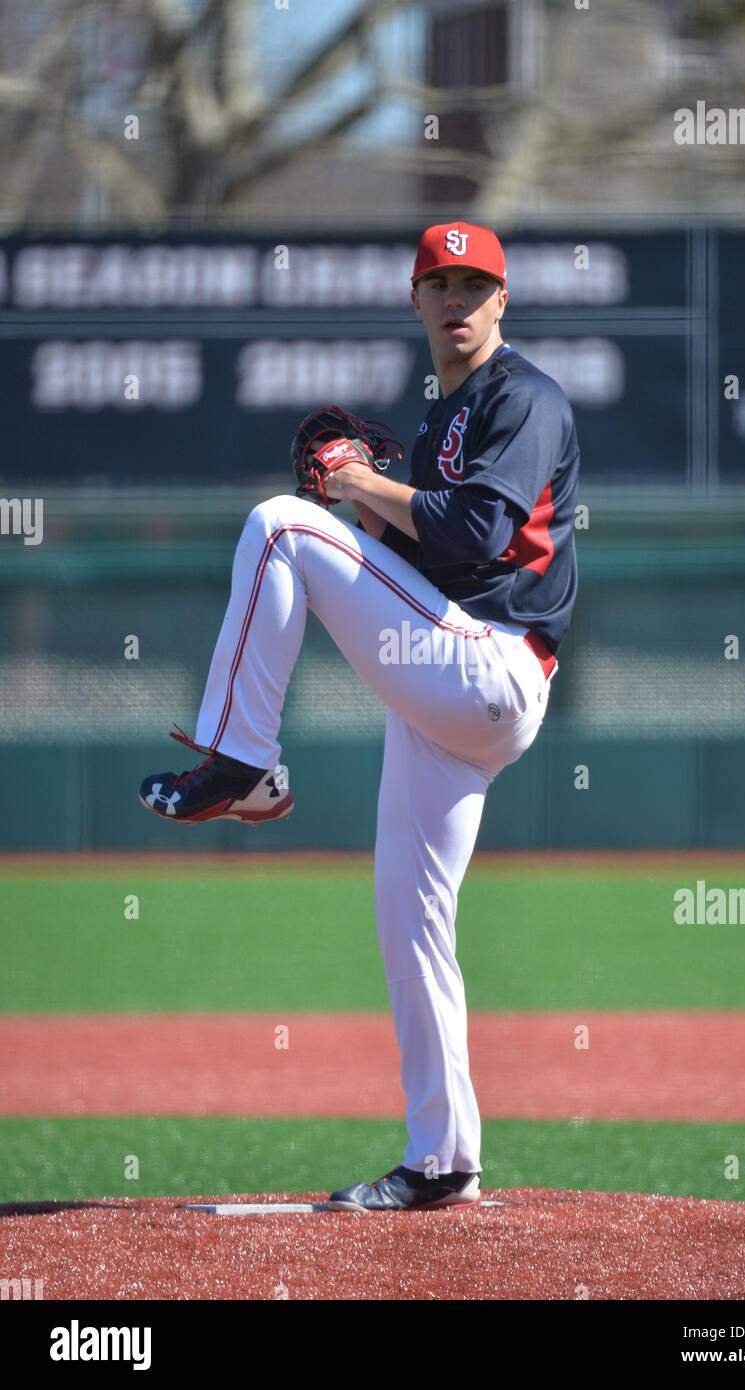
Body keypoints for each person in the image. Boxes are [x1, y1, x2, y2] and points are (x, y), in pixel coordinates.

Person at [139, 221, 580, 1212]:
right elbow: (432, 560)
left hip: (494, 662)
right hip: (448, 676)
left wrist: (353, 487)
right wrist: (376, 502)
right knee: (408, 920)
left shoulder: (523, 396)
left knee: (279, 524)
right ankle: (442, 1158)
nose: (457, 299)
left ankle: (244, 761)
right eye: (440, 283)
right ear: (416, 300)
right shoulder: (444, 418)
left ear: (501, 301)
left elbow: (477, 529)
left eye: (475, 283)